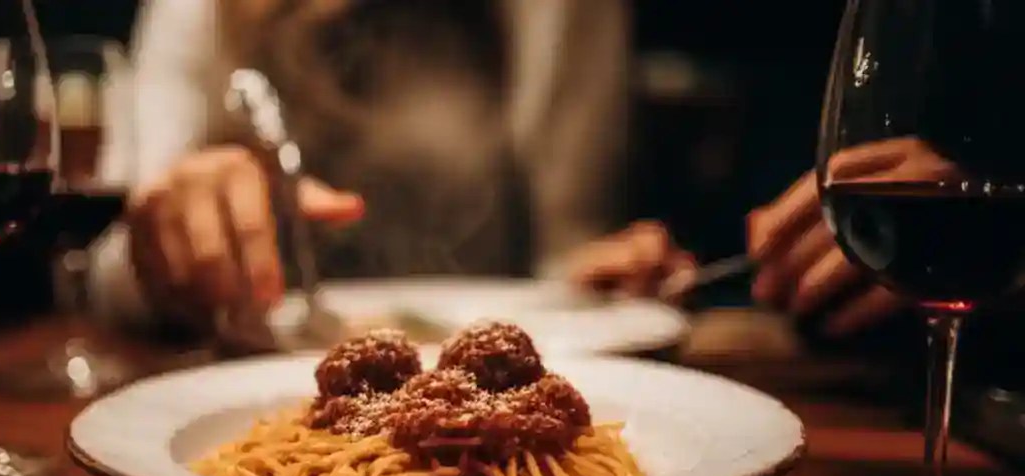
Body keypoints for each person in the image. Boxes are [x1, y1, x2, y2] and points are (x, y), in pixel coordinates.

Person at [94, 0, 910, 340]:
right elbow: (106, 271)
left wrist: (595, 281)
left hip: (481, 373)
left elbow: (559, 241)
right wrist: (163, 237)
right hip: (240, 367)